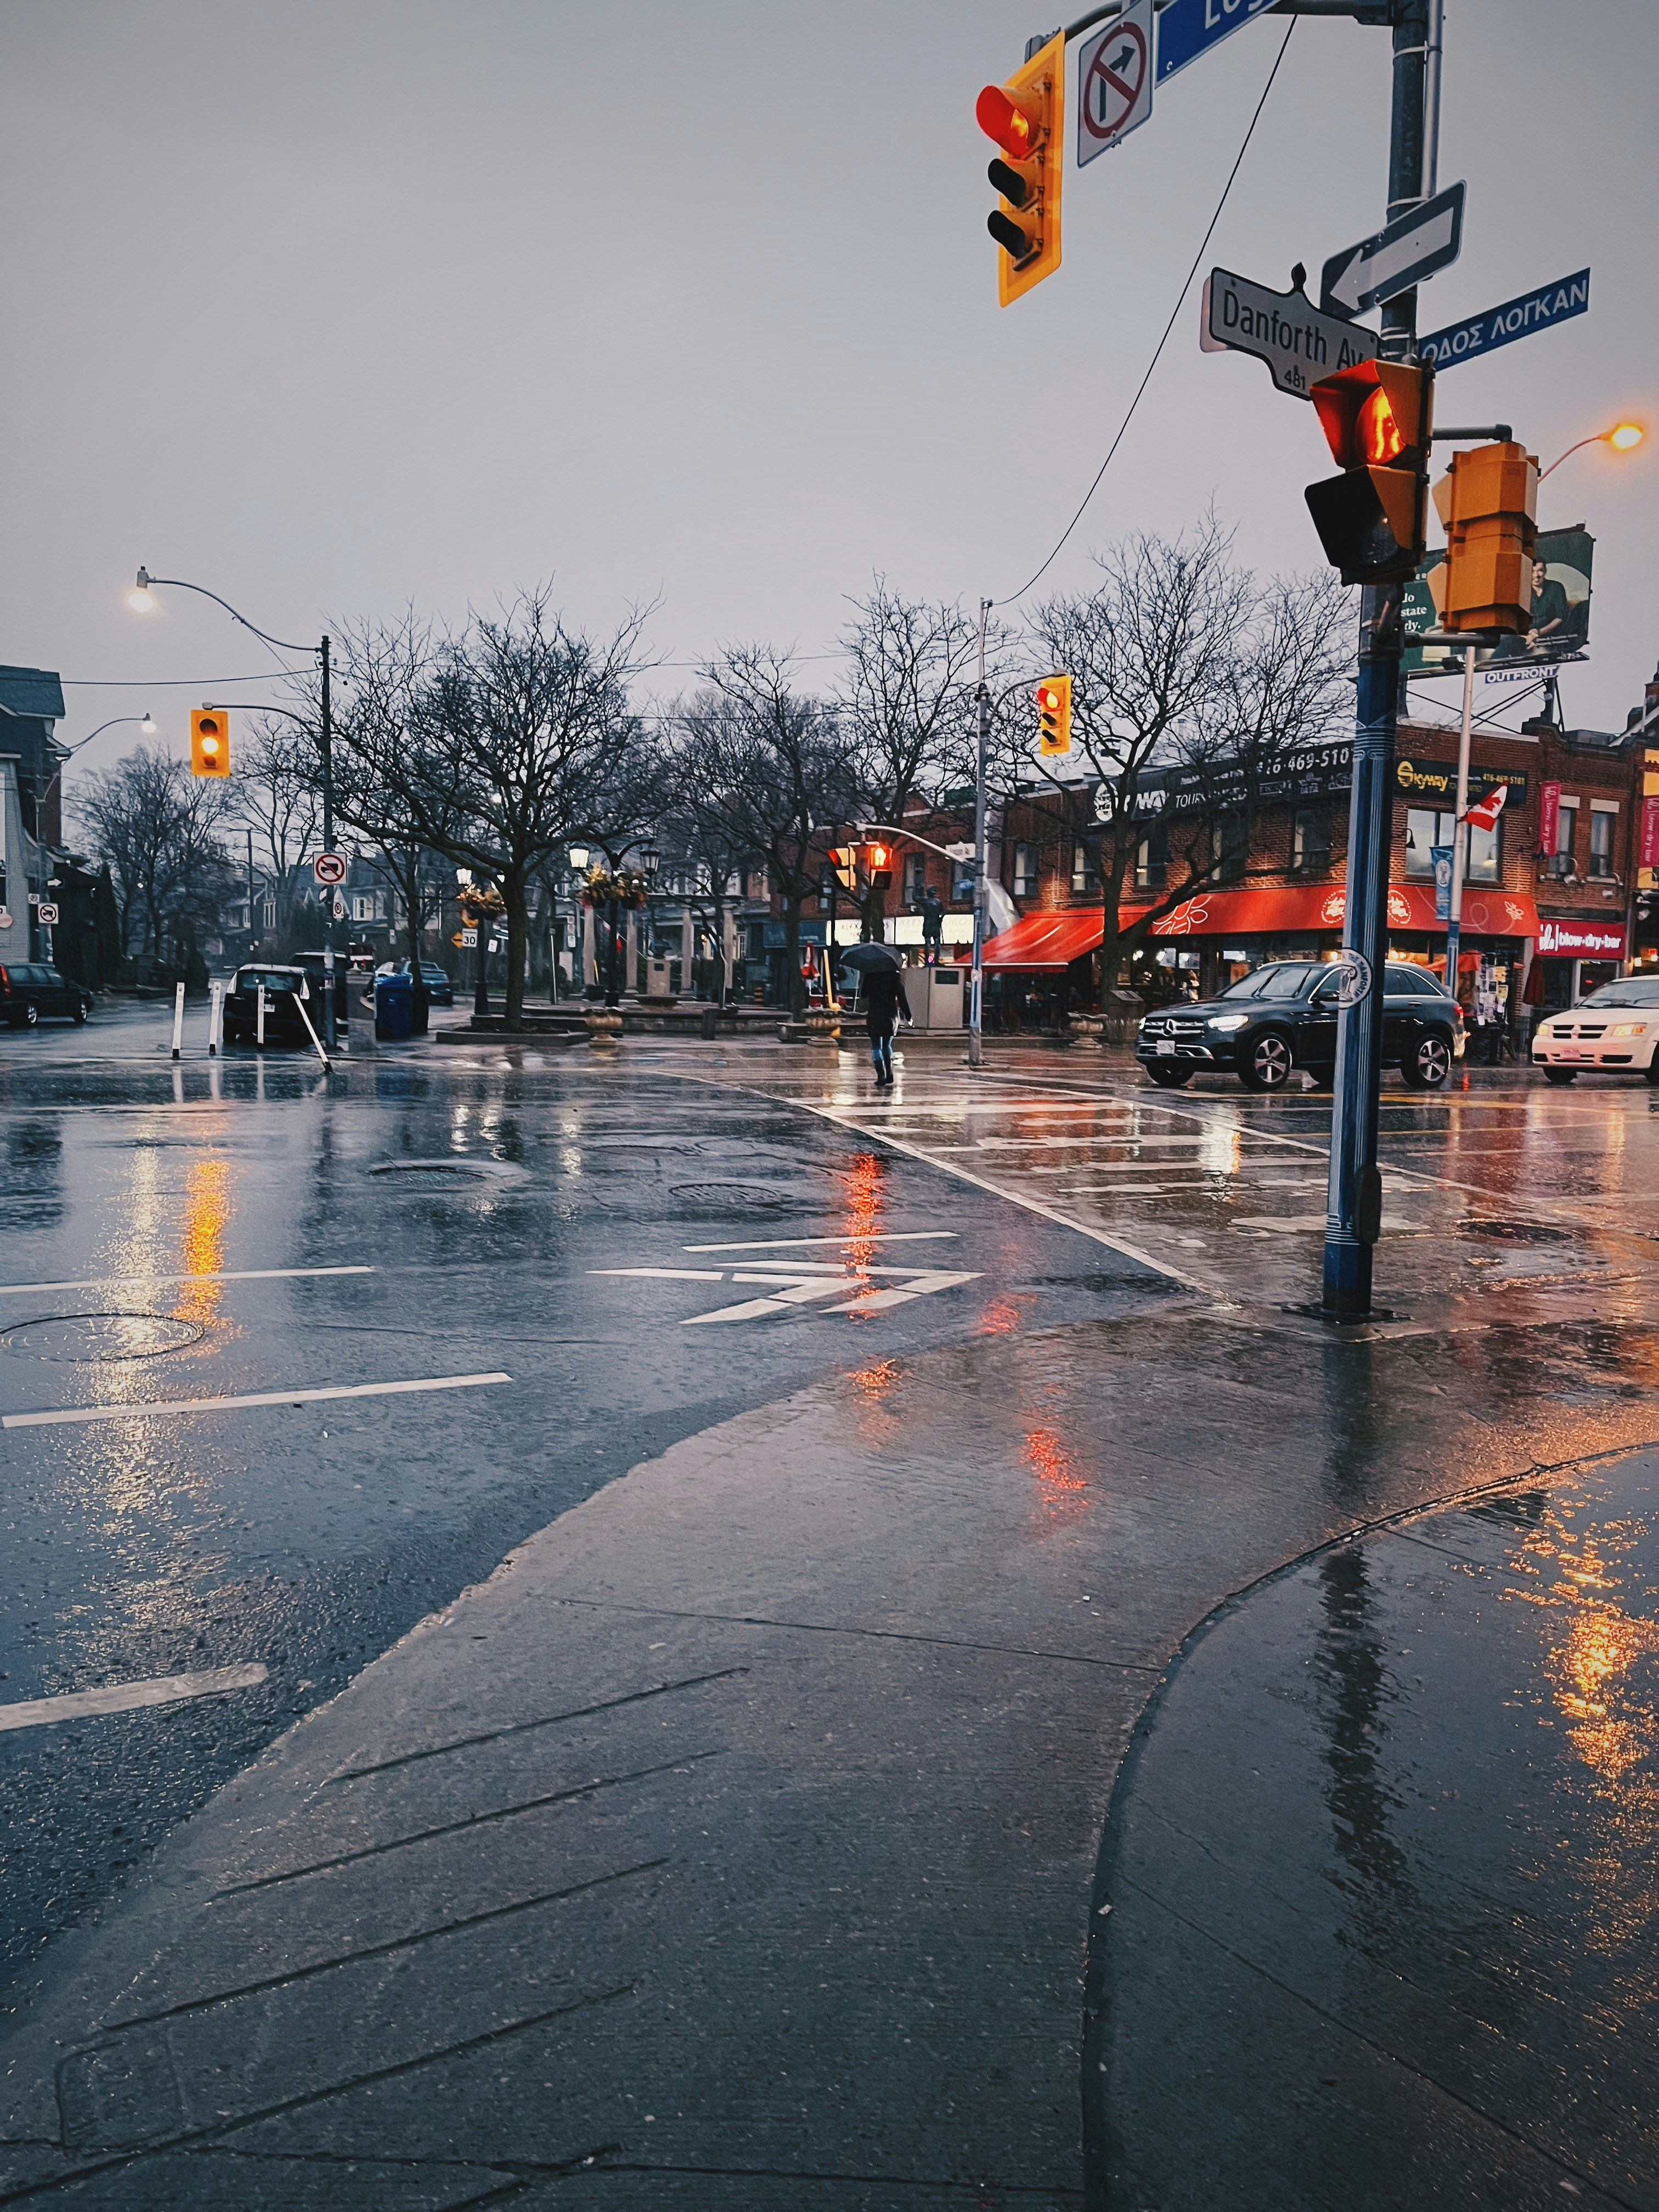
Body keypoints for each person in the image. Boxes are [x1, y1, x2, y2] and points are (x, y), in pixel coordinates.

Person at [863, 963, 912, 1085]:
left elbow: (863, 994)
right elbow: (902, 997)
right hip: (891, 1015)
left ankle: (881, 1077)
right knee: (887, 1045)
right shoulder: (895, 976)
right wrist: (908, 1015)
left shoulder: (870, 976)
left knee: (876, 1047)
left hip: (875, 1015)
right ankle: (889, 1073)